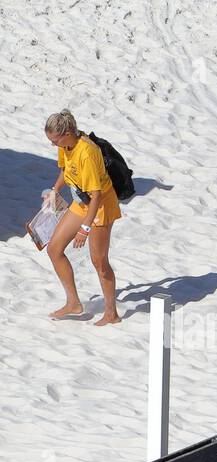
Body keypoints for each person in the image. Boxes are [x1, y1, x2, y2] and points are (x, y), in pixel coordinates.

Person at [43, 110, 121, 325]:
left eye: (55, 140)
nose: (53, 145)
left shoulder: (86, 153)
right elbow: (65, 170)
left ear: (68, 133)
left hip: (101, 205)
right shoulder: (65, 145)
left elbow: (96, 196)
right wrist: (54, 191)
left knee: (99, 262)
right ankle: (73, 303)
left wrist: (84, 229)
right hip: (82, 202)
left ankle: (111, 314)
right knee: (54, 249)